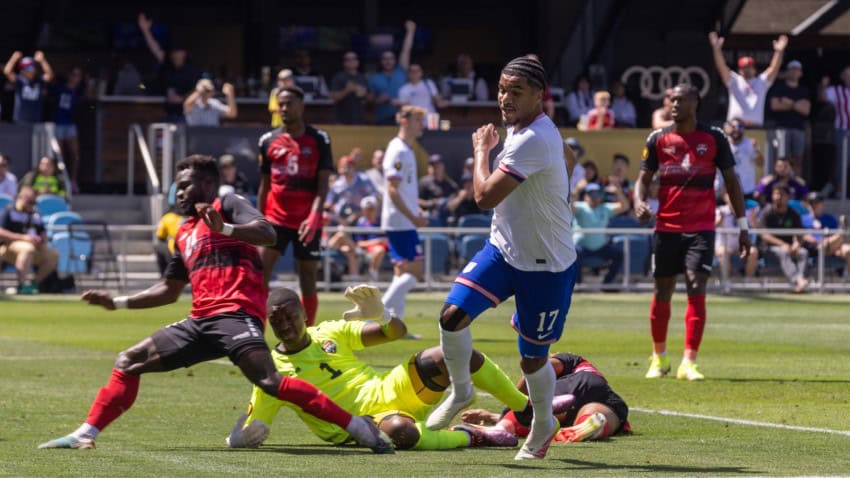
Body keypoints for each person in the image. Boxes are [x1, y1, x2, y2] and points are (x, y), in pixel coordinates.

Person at [37, 155, 392, 453]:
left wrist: (226, 228)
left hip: (237, 314)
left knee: (269, 381)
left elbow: (268, 233)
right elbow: (169, 289)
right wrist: (117, 302)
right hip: (199, 321)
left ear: (207, 185)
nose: (178, 191)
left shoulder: (229, 204)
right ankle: (86, 434)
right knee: (127, 361)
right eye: (177, 185)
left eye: (186, 184)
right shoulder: (185, 231)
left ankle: (356, 427)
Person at [426, 56, 578, 461]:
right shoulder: (526, 128)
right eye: (501, 89)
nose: (504, 98)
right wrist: (562, 193)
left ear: (539, 97)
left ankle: (543, 421)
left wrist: (480, 151)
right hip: (504, 250)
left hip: (546, 265)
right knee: (451, 317)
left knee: (532, 360)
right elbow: (570, 159)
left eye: (516, 91)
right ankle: (462, 387)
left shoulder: (531, 139)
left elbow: (483, 196)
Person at [226, 284, 530, 450]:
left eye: (290, 316)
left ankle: (524, 411)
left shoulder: (329, 332)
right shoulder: (270, 372)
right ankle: (472, 436)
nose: (285, 325)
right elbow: (253, 428)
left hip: (390, 387)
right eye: (276, 321)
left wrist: (382, 315)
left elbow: (393, 333)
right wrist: (239, 439)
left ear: (304, 314)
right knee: (401, 432)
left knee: (455, 353)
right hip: (360, 423)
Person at [634, 84, 750, 382]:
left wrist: (743, 225)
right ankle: (659, 357)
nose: (673, 104)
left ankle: (689, 361)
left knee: (696, 284)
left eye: (680, 99)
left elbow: (732, 182)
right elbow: (643, 179)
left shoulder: (714, 138)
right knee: (662, 291)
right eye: (671, 98)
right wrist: (638, 202)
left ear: (695, 103)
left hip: (701, 228)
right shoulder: (658, 139)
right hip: (666, 227)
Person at [257, 86, 333, 326]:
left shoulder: (319, 139)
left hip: (306, 221)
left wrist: (314, 216)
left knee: (307, 277)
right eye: (281, 104)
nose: (284, 109)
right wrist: (258, 220)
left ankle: (307, 335)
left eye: (289, 103)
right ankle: (254, 329)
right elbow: (265, 184)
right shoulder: (268, 140)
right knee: (259, 273)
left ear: (302, 106)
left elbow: (323, 185)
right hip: (275, 219)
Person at [461, 352, 630, 444]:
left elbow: (537, 371)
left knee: (529, 409)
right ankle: (593, 423)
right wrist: (492, 416)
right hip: (606, 397)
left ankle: (503, 428)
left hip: (567, 389)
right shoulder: (586, 367)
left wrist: (509, 409)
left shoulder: (570, 359)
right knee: (601, 413)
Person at [380, 105, 429, 325]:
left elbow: (402, 189)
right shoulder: (398, 150)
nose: (422, 125)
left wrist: (415, 207)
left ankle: (396, 323)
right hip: (401, 222)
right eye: (418, 120)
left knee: (400, 274)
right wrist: (413, 217)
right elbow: (392, 190)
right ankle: (374, 312)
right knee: (416, 272)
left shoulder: (406, 149)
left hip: (403, 220)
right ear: (404, 121)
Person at [709, 31, 787, 127]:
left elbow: (774, 68)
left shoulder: (761, 81)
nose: (747, 69)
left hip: (756, 128)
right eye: (744, 67)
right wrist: (716, 49)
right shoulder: (734, 80)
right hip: (734, 128)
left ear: (754, 69)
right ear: (740, 70)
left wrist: (779, 52)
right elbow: (721, 66)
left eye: (750, 67)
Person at [138, 13, 200, 122]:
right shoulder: (168, 66)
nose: (175, 55)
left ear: (184, 53)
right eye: (173, 52)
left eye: (178, 52)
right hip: (169, 115)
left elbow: (198, 90)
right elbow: (156, 49)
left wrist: (181, 99)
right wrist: (145, 30)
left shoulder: (191, 71)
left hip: (186, 117)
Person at [0, 186, 59, 294]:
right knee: (27, 249)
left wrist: (41, 240)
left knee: (53, 254)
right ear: (21, 198)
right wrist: (23, 238)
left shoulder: (35, 214)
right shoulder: (9, 211)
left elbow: (43, 232)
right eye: (29, 202)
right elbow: (1, 232)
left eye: (34, 202)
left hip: (34, 248)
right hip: (9, 248)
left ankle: (34, 284)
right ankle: (21, 285)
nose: (32, 205)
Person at [572, 183, 628, 286]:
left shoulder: (605, 208)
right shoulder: (580, 206)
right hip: (582, 247)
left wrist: (618, 191)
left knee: (619, 254)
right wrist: (577, 190)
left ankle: (607, 284)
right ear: (586, 196)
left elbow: (625, 206)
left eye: (597, 193)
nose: (595, 196)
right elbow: (569, 207)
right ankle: (578, 285)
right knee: (573, 253)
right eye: (591, 193)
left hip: (601, 248)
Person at [759, 185, 809, 292]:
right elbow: (764, 235)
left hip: (790, 247)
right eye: (775, 194)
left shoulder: (793, 213)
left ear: (788, 197)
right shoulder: (767, 212)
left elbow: (799, 233)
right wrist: (782, 244)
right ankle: (798, 280)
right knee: (783, 252)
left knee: (803, 252)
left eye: (781, 194)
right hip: (770, 249)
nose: (778, 197)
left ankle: (799, 284)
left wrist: (796, 243)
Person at [368, 20, 416, 125]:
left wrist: (411, 31)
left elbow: (406, 51)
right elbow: (369, 100)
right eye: (385, 59)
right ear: (381, 62)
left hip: (403, 119)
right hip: (382, 119)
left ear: (395, 60)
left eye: (391, 58)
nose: (388, 61)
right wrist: (378, 100)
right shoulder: (374, 78)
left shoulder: (401, 71)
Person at [767, 60, 810, 165]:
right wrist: (797, 105)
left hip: (799, 129)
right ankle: (782, 181)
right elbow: (775, 106)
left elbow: (806, 110)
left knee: (797, 160)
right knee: (781, 160)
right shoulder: (779, 89)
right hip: (782, 128)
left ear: (801, 73)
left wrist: (789, 102)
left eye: (797, 70)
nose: (794, 72)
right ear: (787, 72)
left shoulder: (804, 90)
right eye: (792, 70)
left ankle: (795, 181)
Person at [51, 66, 86, 191]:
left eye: (79, 76)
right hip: (58, 124)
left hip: (70, 124)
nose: (76, 78)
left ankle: (73, 181)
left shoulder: (79, 91)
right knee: (59, 155)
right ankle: (61, 180)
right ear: (69, 76)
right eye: (74, 75)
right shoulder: (59, 88)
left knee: (75, 154)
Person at [802, 192, 850, 274]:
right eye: (811, 203)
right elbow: (802, 235)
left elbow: (834, 234)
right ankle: (843, 232)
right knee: (828, 242)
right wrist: (816, 241)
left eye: (817, 202)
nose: (814, 205)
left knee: (848, 250)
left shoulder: (829, 219)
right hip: (815, 249)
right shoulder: (803, 219)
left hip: (832, 247)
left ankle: (848, 277)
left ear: (822, 204)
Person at [3, 51, 53, 124]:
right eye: (25, 69)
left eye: (30, 69)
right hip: (20, 119)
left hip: (35, 120)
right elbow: (7, 72)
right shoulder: (20, 81)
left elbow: (50, 75)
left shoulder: (39, 81)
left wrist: (42, 60)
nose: (28, 72)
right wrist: (14, 58)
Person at [722, 118, 763, 199]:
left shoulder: (750, 143)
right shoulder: (724, 144)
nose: (736, 129)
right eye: (733, 126)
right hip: (728, 191)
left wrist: (756, 150)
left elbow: (760, 164)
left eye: (740, 126)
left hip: (747, 190)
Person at [354, 196, 388, 281]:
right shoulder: (361, 224)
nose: (369, 212)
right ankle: (373, 275)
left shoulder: (383, 222)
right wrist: (376, 241)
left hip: (386, 247)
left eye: (371, 209)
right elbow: (360, 243)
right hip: (369, 249)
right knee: (379, 250)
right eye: (366, 209)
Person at [329, 51, 368, 125]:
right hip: (342, 120)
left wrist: (364, 93)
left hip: (359, 120)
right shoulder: (338, 78)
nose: (351, 62)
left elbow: (369, 98)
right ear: (344, 63)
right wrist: (347, 90)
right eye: (348, 60)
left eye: (354, 59)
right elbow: (334, 98)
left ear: (358, 62)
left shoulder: (362, 78)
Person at [418, 154, 458, 219]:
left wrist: (444, 203)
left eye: (438, 165)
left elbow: (454, 201)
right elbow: (415, 200)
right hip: (428, 216)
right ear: (429, 168)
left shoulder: (450, 185)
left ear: (443, 167)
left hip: (446, 217)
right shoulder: (423, 182)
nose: (436, 168)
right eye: (433, 166)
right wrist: (431, 203)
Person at [153, 207, 185, 277]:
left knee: (159, 246)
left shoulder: (167, 217)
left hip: (174, 249)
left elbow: (160, 236)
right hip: (191, 248)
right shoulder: (190, 217)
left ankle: (164, 276)